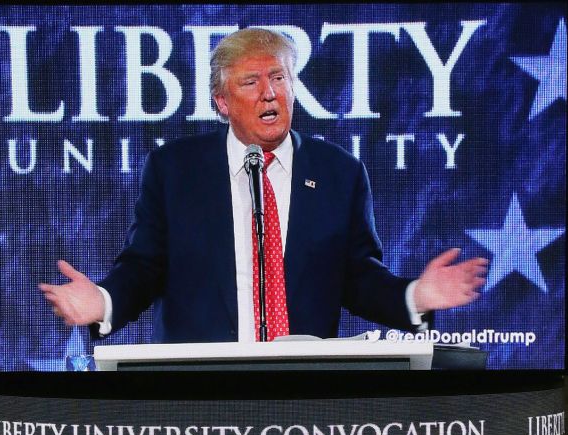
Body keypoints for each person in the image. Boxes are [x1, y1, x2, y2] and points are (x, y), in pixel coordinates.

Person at [39, 28, 488, 343]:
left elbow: (358, 279)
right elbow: (144, 268)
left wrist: (415, 296)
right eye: (250, 82)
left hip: (303, 392)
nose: (268, 93)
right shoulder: (175, 171)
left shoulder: (339, 172)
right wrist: (103, 300)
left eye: (278, 78)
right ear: (222, 102)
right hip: (198, 393)